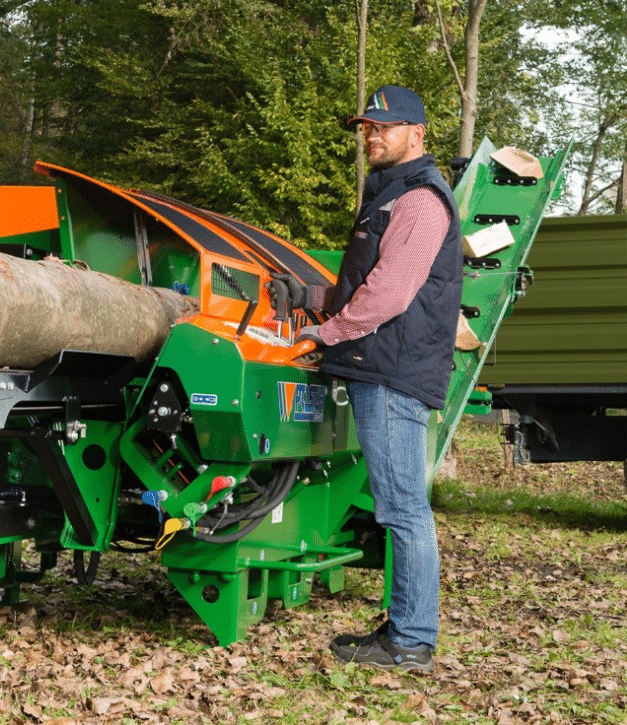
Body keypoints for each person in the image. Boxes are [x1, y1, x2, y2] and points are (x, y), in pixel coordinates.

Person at [269, 84, 462, 672]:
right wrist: (310, 296)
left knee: (403, 509)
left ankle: (410, 639)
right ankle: (406, 626)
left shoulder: (420, 199)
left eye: (385, 127)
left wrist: (321, 333)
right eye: (367, 128)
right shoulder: (390, 195)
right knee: (400, 506)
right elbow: (365, 288)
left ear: (417, 134)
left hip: (392, 372)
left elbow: (391, 295)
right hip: (379, 366)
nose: (372, 136)